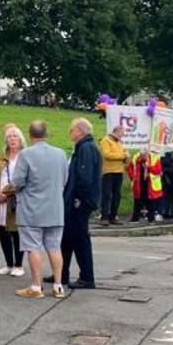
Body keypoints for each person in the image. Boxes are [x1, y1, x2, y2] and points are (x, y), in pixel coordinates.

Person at [5, 121, 69, 298]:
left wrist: (7, 189)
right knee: (55, 247)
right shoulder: (60, 154)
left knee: (32, 247)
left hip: (31, 209)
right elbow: (64, 179)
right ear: (46, 133)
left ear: (30, 135)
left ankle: (36, 286)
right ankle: (58, 285)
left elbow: (18, 182)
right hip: (55, 208)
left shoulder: (26, 155)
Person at [61, 118, 101, 289]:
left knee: (80, 239)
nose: (71, 133)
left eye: (72, 130)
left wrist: (79, 198)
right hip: (73, 200)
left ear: (80, 131)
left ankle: (87, 276)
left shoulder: (86, 148)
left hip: (79, 202)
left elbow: (84, 177)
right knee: (67, 239)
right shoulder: (84, 147)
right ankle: (61, 273)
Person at [0, 124, 26, 276]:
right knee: (2, 230)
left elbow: (22, 179)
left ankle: (19, 265)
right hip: (0, 199)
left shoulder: (25, 156)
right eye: (9, 137)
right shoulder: (1, 157)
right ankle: (8, 263)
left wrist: (6, 192)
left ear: (20, 139)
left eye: (15, 136)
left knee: (16, 231)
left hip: (16, 200)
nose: (12, 139)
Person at [98, 125, 130, 226]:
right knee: (107, 195)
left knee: (117, 195)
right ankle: (104, 216)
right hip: (108, 171)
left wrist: (126, 157)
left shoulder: (120, 143)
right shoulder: (105, 141)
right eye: (121, 133)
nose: (122, 136)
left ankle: (113, 216)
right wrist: (123, 156)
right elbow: (107, 155)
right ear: (116, 132)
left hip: (119, 171)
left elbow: (125, 155)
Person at [128, 149, 163, 222]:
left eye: (144, 156)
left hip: (150, 183)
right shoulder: (136, 158)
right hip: (139, 183)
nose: (142, 157)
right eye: (141, 156)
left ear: (147, 154)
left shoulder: (155, 158)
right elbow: (130, 168)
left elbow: (158, 170)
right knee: (137, 201)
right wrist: (132, 177)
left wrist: (149, 167)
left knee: (150, 202)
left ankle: (151, 219)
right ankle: (135, 219)